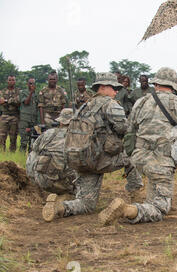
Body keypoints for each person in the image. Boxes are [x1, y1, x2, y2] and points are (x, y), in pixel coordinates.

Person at [98, 67, 177, 226]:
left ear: (156, 83)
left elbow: (130, 127)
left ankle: (151, 200)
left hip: (140, 158)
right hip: (162, 160)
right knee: (161, 208)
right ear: (173, 85)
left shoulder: (141, 102)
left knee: (154, 177)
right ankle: (128, 209)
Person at [43, 72, 144, 222]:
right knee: (130, 160)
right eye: (114, 87)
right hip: (100, 158)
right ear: (103, 87)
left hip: (81, 159)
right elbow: (124, 128)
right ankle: (137, 197)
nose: (116, 91)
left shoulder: (84, 105)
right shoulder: (111, 104)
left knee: (87, 204)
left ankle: (59, 207)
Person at [26, 109, 77, 221]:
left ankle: (37, 187)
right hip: (64, 182)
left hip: (42, 180)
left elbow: (34, 151)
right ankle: (61, 201)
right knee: (76, 192)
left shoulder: (48, 133)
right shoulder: (78, 138)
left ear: (61, 121)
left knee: (33, 153)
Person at [0, 75, 21, 152]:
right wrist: (12, 101)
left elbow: (18, 102)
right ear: (7, 81)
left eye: (13, 80)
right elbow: (1, 102)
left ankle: (12, 153)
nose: (11, 81)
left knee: (13, 137)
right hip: (4, 115)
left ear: (15, 81)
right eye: (10, 80)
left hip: (15, 116)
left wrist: (6, 101)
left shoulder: (18, 91)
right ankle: (2, 153)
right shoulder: (2, 91)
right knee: (2, 137)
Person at [19, 77, 39, 152]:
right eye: (30, 83)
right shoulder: (23, 92)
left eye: (33, 83)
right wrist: (31, 93)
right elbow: (26, 102)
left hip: (34, 120)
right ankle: (21, 156)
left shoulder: (37, 94)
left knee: (33, 139)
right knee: (24, 140)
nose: (31, 85)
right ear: (27, 84)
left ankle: (30, 156)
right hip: (25, 119)